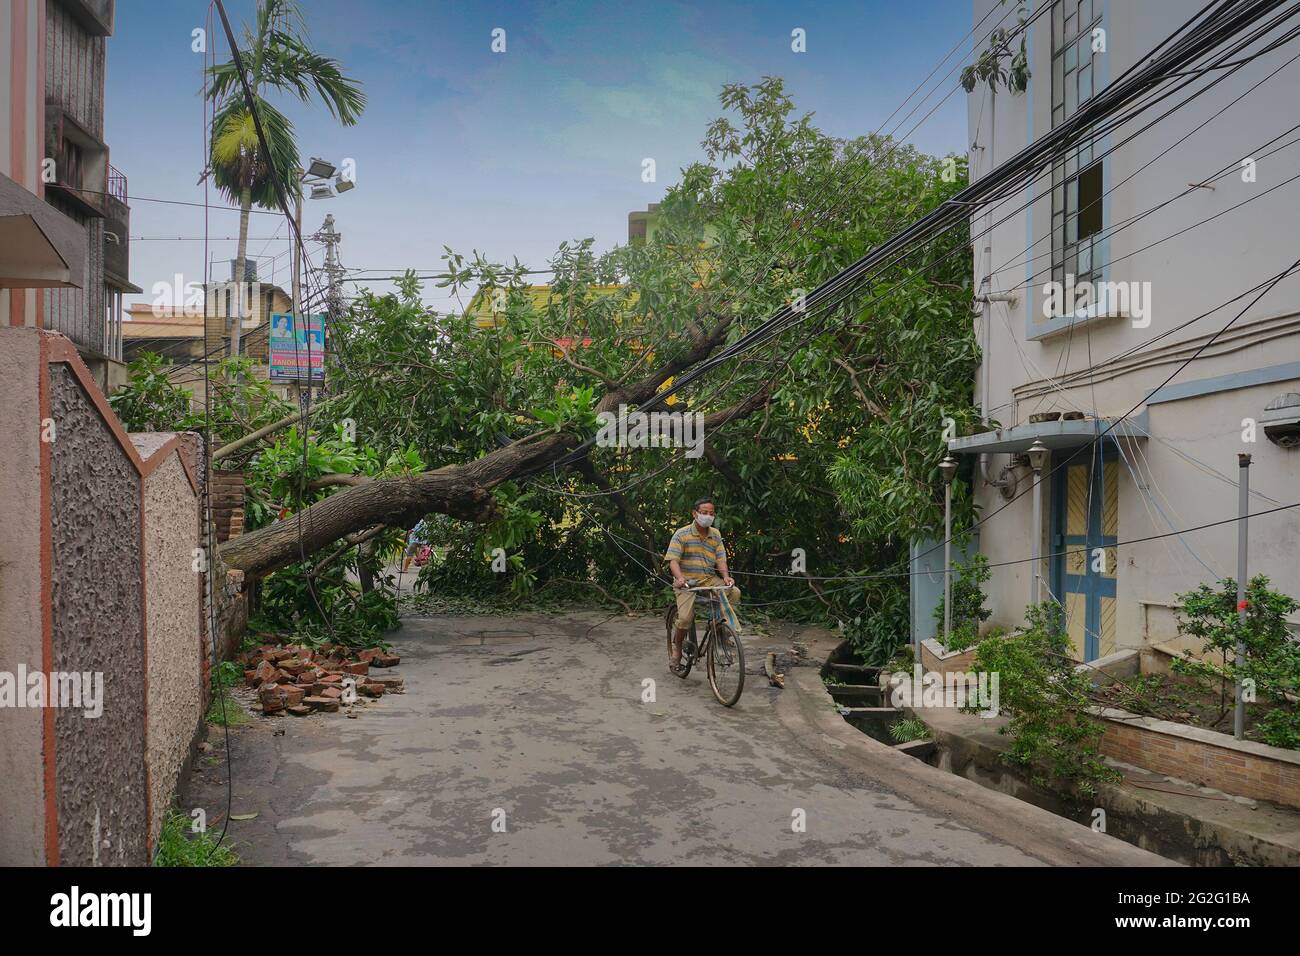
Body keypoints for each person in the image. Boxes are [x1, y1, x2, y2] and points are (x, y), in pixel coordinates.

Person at [664, 497, 739, 671]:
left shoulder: (716, 534)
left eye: (711, 513)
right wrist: (680, 578)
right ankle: (676, 651)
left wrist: (726, 577)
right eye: (704, 513)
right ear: (695, 513)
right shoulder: (681, 534)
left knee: (734, 591)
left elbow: (721, 559)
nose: (708, 516)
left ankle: (719, 627)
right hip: (687, 582)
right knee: (684, 618)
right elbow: (673, 561)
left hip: (709, 579)